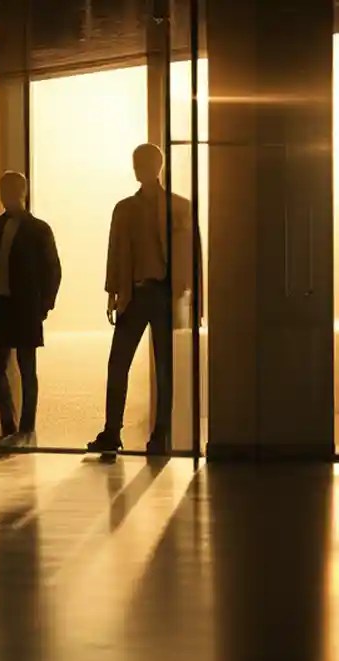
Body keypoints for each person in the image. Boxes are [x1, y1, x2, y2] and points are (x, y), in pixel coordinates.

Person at [88, 143, 197, 456]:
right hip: (134, 293)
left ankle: (159, 434)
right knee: (118, 363)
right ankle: (114, 431)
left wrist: (190, 296)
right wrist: (113, 292)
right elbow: (115, 251)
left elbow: (191, 254)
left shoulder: (178, 207)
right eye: (136, 163)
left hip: (162, 293)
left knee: (163, 368)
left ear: (156, 166)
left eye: (143, 163)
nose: (138, 168)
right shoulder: (126, 208)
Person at [0, 171, 61, 448]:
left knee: (26, 369)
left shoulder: (38, 229)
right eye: (4, 190)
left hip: (25, 308)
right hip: (0, 307)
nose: (7, 196)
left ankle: (25, 430)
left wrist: (43, 306)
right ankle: (9, 428)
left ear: (23, 192)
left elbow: (53, 269)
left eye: (13, 190)